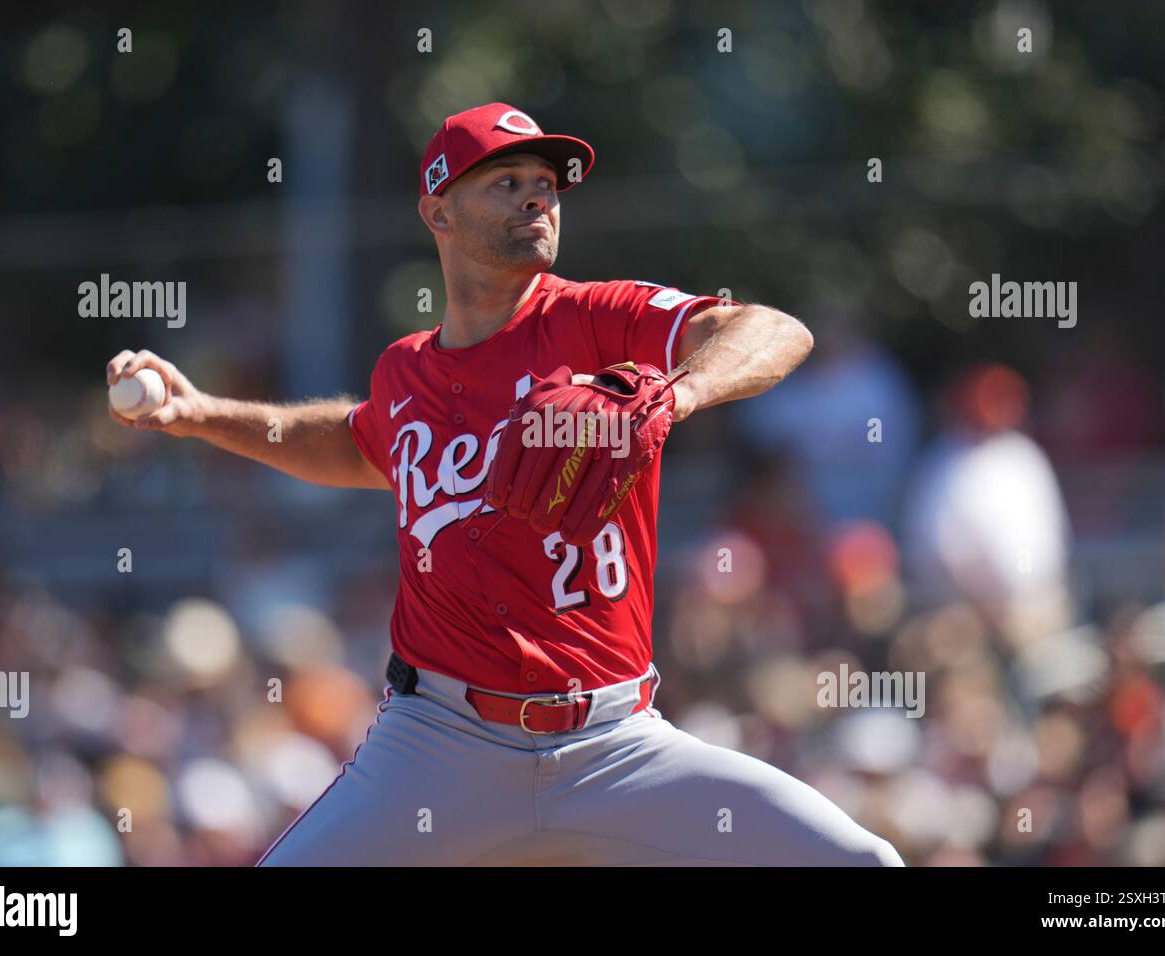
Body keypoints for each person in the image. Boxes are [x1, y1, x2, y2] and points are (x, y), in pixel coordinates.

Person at [107, 103, 902, 866]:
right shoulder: (406, 369)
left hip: (615, 744)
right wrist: (202, 412)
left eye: (546, 184)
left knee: (862, 860)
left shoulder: (600, 320)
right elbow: (356, 443)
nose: (536, 197)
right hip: (438, 745)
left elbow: (775, 331)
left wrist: (675, 392)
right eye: (506, 181)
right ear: (438, 213)